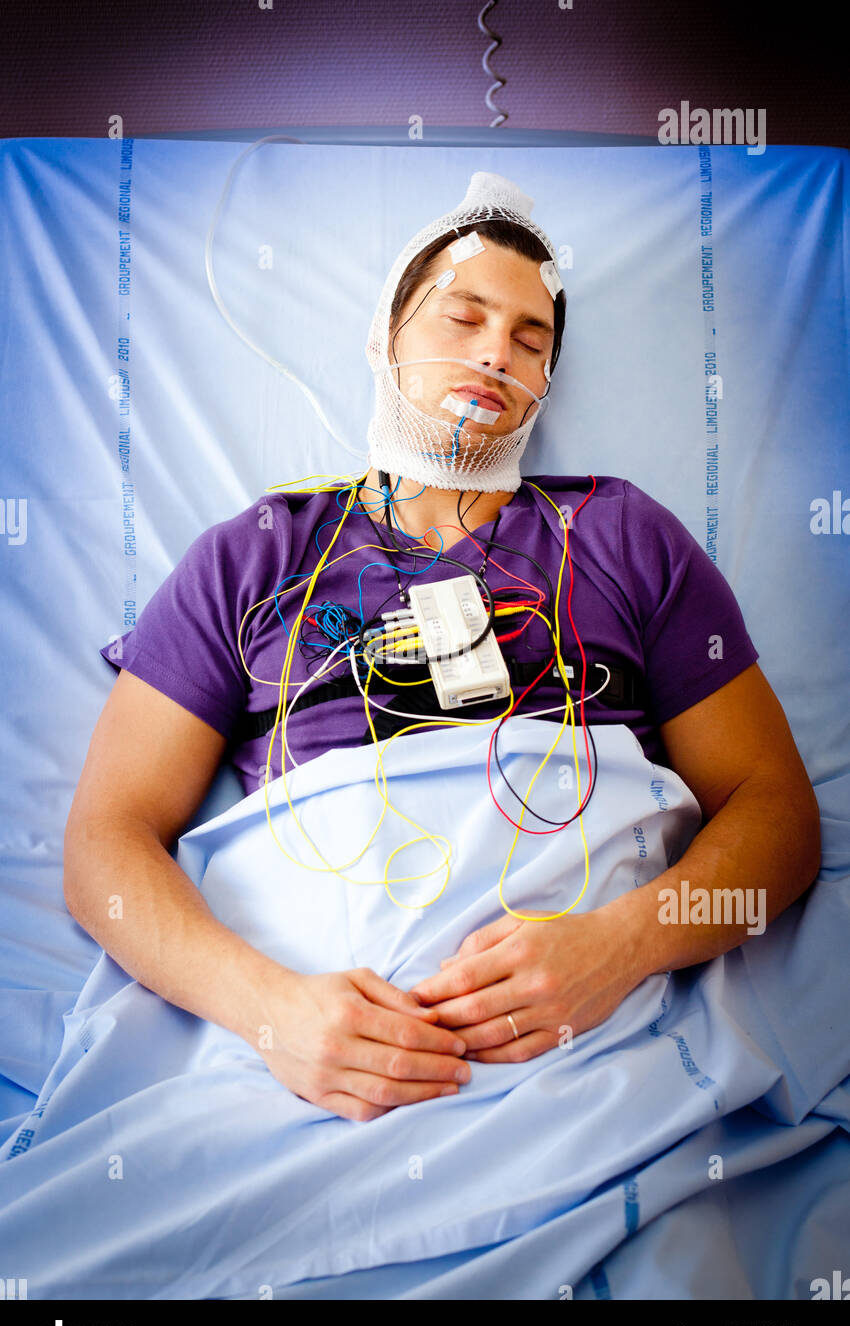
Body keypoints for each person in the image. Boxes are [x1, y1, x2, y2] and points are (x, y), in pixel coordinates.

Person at [64, 173, 820, 1123]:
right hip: (305, 1066)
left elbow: (779, 813)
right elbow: (105, 844)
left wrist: (624, 944)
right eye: (462, 317)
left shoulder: (624, 535)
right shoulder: (255, 556)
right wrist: (271, 1014)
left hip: (592, 1056)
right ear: (383, 339)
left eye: (530, 338)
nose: (497, 353)